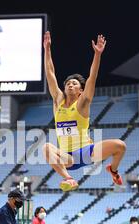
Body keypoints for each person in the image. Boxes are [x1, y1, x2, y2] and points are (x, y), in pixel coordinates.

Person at [42, 31, 127, 192]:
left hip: (88, 152)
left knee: (120, 146)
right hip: (68, 157)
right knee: (46, 147)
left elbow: (92, 78)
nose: (70, 85)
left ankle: (113, 170)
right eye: (68, 83)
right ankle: (68, 178)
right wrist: (47, 50)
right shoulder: (58, 101)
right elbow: (50, 73)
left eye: (74, 83)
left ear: (81, 90)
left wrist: (97, 55)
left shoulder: (83, 103)